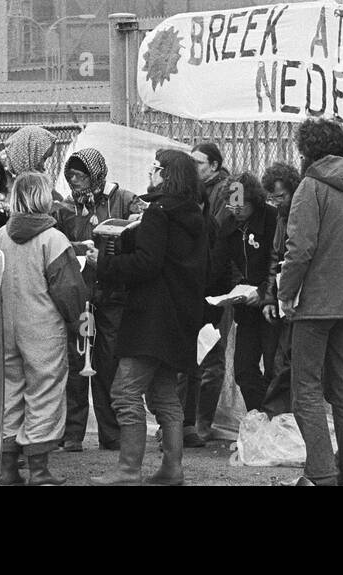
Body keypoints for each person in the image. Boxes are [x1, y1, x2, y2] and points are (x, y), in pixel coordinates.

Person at [91, 149, 208, 486]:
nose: (150, 174)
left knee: (125, 393)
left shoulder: (158, 213)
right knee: (164, 396)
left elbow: (146, 263)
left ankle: (128, 469)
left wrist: (105, 263)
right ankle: (172, 468)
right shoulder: (196, 216)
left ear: (166, 175)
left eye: (155, 169)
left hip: (149, 319)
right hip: (180, 319)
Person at [277, 117, 343, 486]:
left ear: (307, 150)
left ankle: (320, 475)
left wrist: (286, 293)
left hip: (313, 304)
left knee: (305, 390)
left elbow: (299, 249)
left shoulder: (311, 186)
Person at [0, 173, 74, 486]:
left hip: (5, 325)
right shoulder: (53, 239)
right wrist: (76, 317)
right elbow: (69, 290)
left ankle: (7, 470)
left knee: (10, 392)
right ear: (44, 198)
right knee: (44, 391)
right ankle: (39, 471)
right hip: (42, 327)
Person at [56, 149, 138, 452]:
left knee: (108, 361)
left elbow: (141, 232)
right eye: (71, 176)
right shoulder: (66, 208)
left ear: (96, 174)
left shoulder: (123, 199)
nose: (76, 181)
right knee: (77, 361)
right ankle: (72, 433)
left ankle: (111, 432)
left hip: (113, 293)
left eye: (81, 175)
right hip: (79, 296)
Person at [213, 173, 279, 411]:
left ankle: (274, 418)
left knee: (274, 368)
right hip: (245, 307)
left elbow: (279, 260)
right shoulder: (228, 224)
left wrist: (264, 292)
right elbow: (221, 263)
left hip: (272, 306)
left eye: (241, 205)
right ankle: (259, 416)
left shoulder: (272, 219)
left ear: (254, 200)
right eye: (231, 205)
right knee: (243, 369)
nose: (236, 210)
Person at [183, 141, 234, 445]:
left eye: (199, 163)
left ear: (214, 165)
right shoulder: (195, 190)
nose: (193, 168)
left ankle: (202, 421)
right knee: (193, 356)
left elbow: (220, 233)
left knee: (211, 355)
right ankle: (188, 421)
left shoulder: (227, 191)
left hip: (215, 286)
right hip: (197, 284)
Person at [260, 161, 300, 416]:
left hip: (297, 298)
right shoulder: (281, 216)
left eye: (281, 196)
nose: (277, 202)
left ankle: (276, 413)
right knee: (279, 360)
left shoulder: (301, 211)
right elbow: (275, 257)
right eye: (273, 198)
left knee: (288, 361)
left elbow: (296, 256)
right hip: (285, 297)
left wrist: (280, 296)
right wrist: (270, 298)